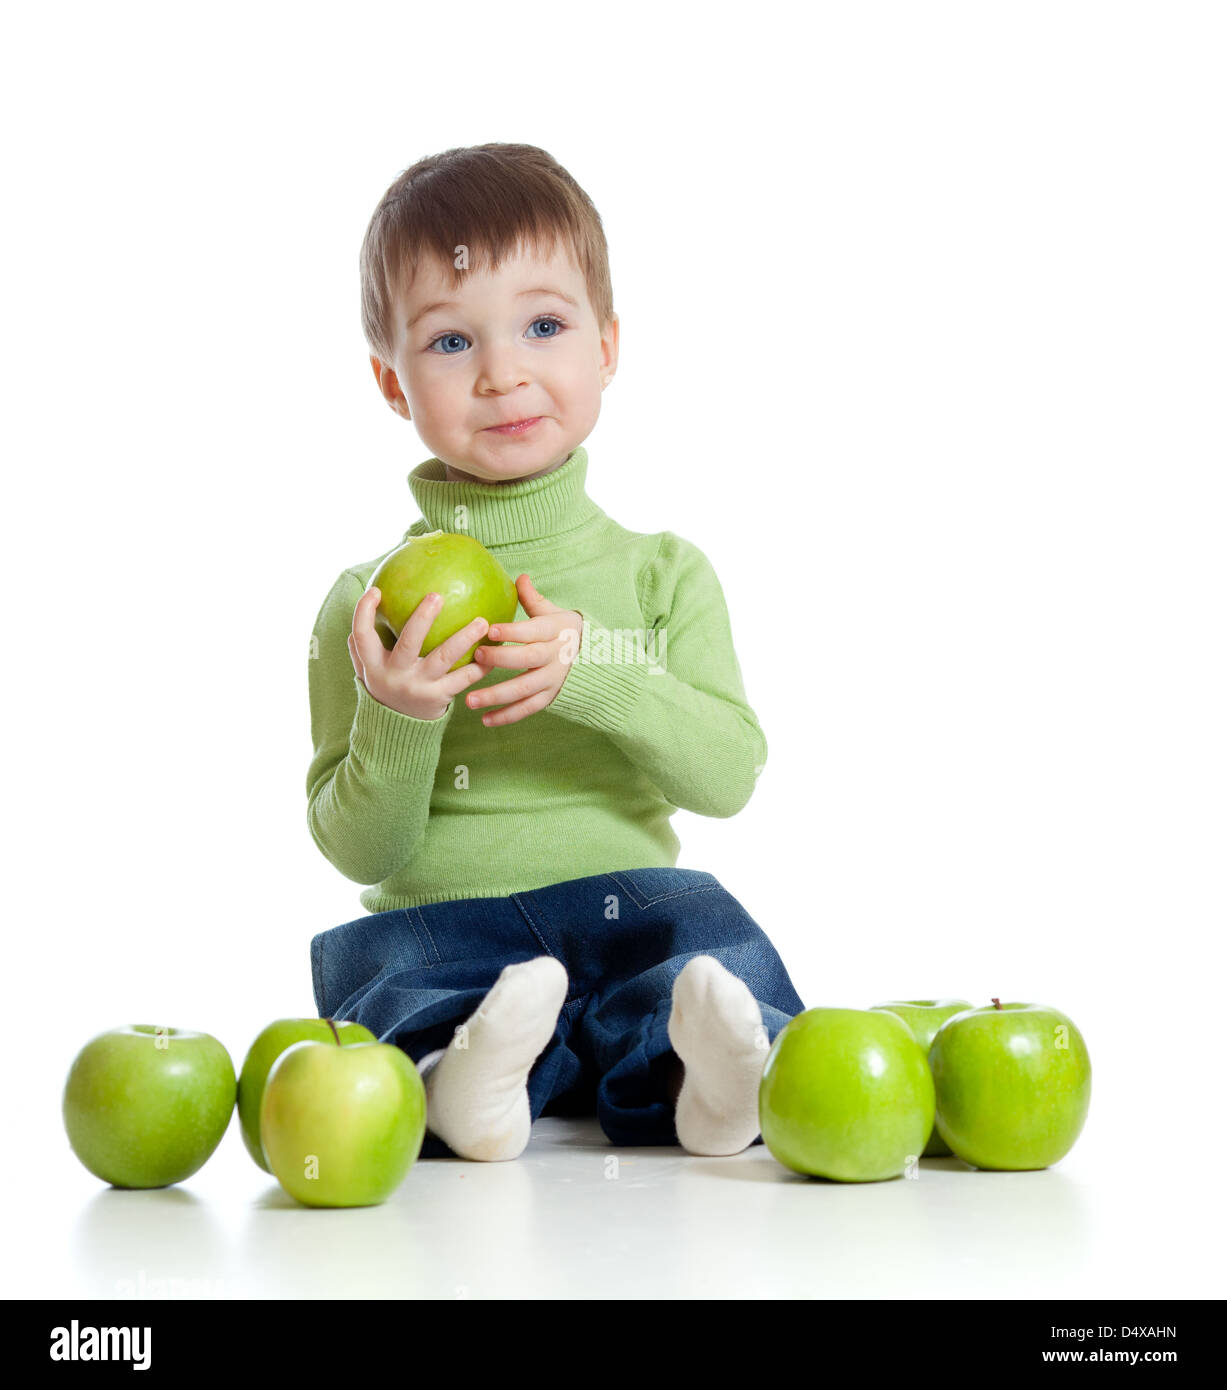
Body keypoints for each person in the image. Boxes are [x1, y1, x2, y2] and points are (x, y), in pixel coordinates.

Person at [307, 143, 805, 1162]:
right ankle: (459, 1081)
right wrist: (400, 716)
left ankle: (710, 1090)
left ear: (609, 345)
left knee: (701, 943)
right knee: (395, 978)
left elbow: (729, 776)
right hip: (452, 922)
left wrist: (597, 676)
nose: (502, 373)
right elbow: (361, 851)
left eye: (544, 325)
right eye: (449, 342)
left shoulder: (665, 574)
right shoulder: (367, 610)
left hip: (631, 906)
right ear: (391, 383)